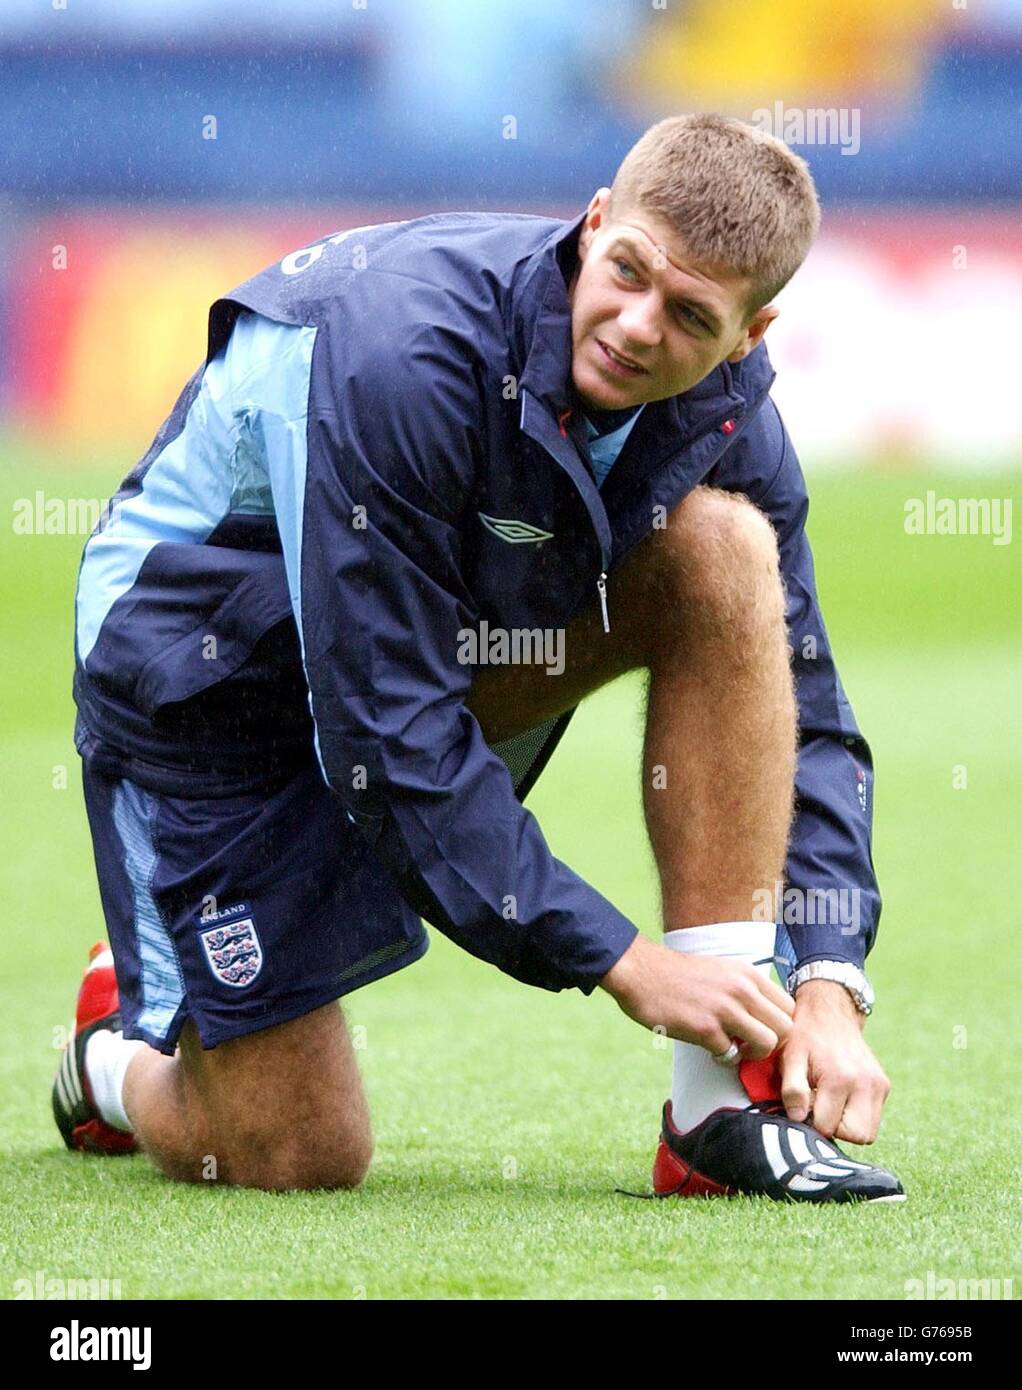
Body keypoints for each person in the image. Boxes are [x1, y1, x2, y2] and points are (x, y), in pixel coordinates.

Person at [55, 114, 904, 1202]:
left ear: (748, 335)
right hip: (195, 677)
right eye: (628, 271)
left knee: (723, 552)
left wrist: (826, 981)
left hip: (404, 652)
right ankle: (109, 1054)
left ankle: (716, 1108)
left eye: (691, 316)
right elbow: (384, 737)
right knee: (296, 1153)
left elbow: (808, 703)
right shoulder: (401, 355)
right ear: (593, 224)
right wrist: (623, 961)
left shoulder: (731, 421)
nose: (637, 326)